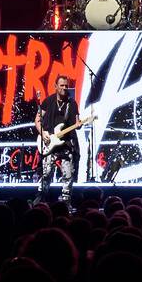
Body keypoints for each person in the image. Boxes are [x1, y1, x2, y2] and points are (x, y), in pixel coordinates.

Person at [35, 75, 83, 203]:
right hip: (49, 142)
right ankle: (40, 199)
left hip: (66, 144)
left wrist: (79, 124)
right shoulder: (48, 101)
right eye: (61, 85)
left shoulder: (71, 103)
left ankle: (66, 201)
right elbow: (37, 120)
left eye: (66, 85)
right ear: (55, 86)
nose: (64, 88)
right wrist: (43, 132)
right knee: (46, 173)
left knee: (67, 175)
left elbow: (77, 123)